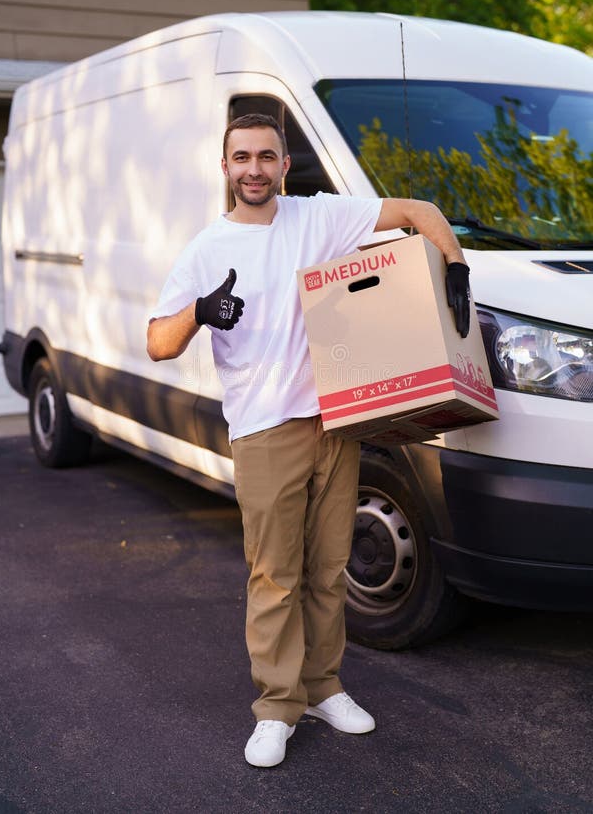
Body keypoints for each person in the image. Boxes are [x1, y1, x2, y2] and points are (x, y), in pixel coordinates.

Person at [147, 113, 470, 768]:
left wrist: (456, 268)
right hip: (264, 429)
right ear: (225, 167)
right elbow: (157, 341)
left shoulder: (317, 218)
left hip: (334, 420)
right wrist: (202, 311)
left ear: (284, 163)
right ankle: (276, 706)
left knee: (328, 569)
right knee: (275, 574)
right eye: (242, 157)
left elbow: (418, 210)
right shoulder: (207, 248)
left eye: (266, 156)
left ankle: (324, 687)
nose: (255, 169)